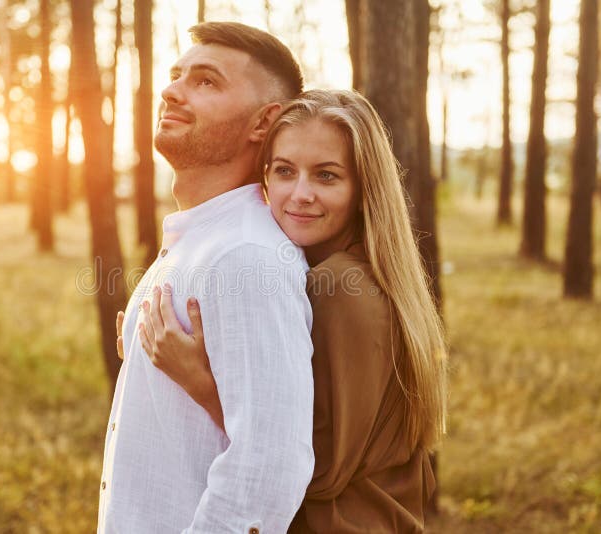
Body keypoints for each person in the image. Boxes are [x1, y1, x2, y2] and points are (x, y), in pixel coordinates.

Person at [133, 90, 448, 532]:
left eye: (326, 176)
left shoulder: (339, 286)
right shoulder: (358, 273)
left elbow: (308, 467)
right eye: (284, 171)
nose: (300, 194)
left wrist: (198, 380)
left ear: (363, 189)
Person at [98, 22, 317, 533]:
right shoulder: (200, 238)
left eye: (206, 81)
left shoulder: (245, 257)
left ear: (264, 122)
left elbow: (269, 465)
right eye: (176, 75)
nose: (171, 90)